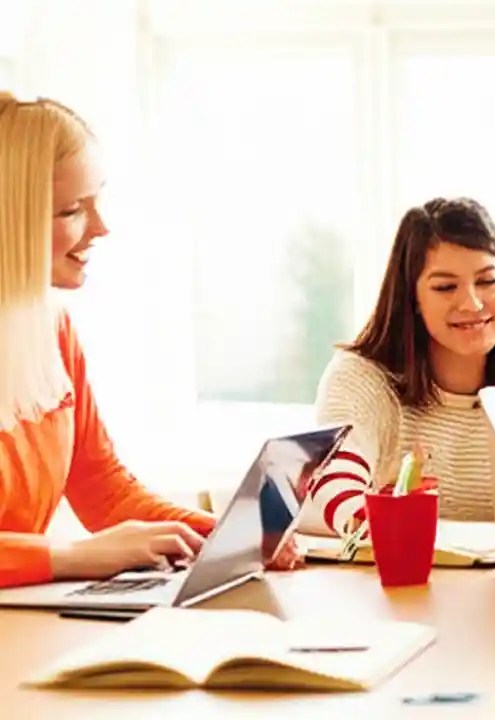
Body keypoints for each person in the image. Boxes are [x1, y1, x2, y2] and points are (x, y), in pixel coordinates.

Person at [0, 94, 301, 589]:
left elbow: (104, 490)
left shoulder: (52, 330)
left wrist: (220, 534)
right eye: (72, 210)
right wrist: (70, 556)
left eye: (97, 202)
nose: (101, 228)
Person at [302, 197, 495, 536]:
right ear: (412, 299)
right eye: (446, 287)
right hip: (400, 569)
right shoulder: (363, 379)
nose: (473, 303)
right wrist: (377, 526)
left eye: (487, 281)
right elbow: (333, 475)